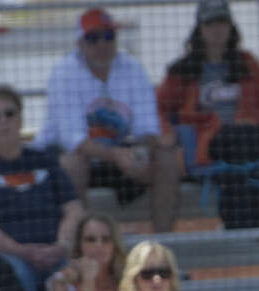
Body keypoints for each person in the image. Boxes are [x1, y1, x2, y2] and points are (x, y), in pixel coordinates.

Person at [32, 7, 180, 233]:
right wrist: (118, 156)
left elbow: (147, 128)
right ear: (80, 43)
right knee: (73, 163)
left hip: (115, 157)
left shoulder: (133, 68)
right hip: (68, 157)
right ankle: (82, 249)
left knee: (166, 159)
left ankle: (162, 245)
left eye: (109, 36)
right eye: (93, 38)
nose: (102, 44)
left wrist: (140, 155)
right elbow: (73, 140)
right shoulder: (64, 72)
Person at [157, 0, 259, 229]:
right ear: (200, 29)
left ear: (231, 27)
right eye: (210, 23)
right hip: (209, 138)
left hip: (249, 132)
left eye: (222, 22)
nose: (217, 29)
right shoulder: (182, 70)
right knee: (237, 138)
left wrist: (253, 121)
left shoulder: (247, 63)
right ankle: (243, 216)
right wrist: (167, 133)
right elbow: (159, 108)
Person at [0, 84, 85, 291]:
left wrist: (60, 246)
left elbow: (74, 209)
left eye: (9, 113)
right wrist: (20, 251)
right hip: (9, 257)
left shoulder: (45, 160)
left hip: (56, 254)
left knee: (80, 273)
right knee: (15, 274)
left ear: (21, 118)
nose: (3, 121)